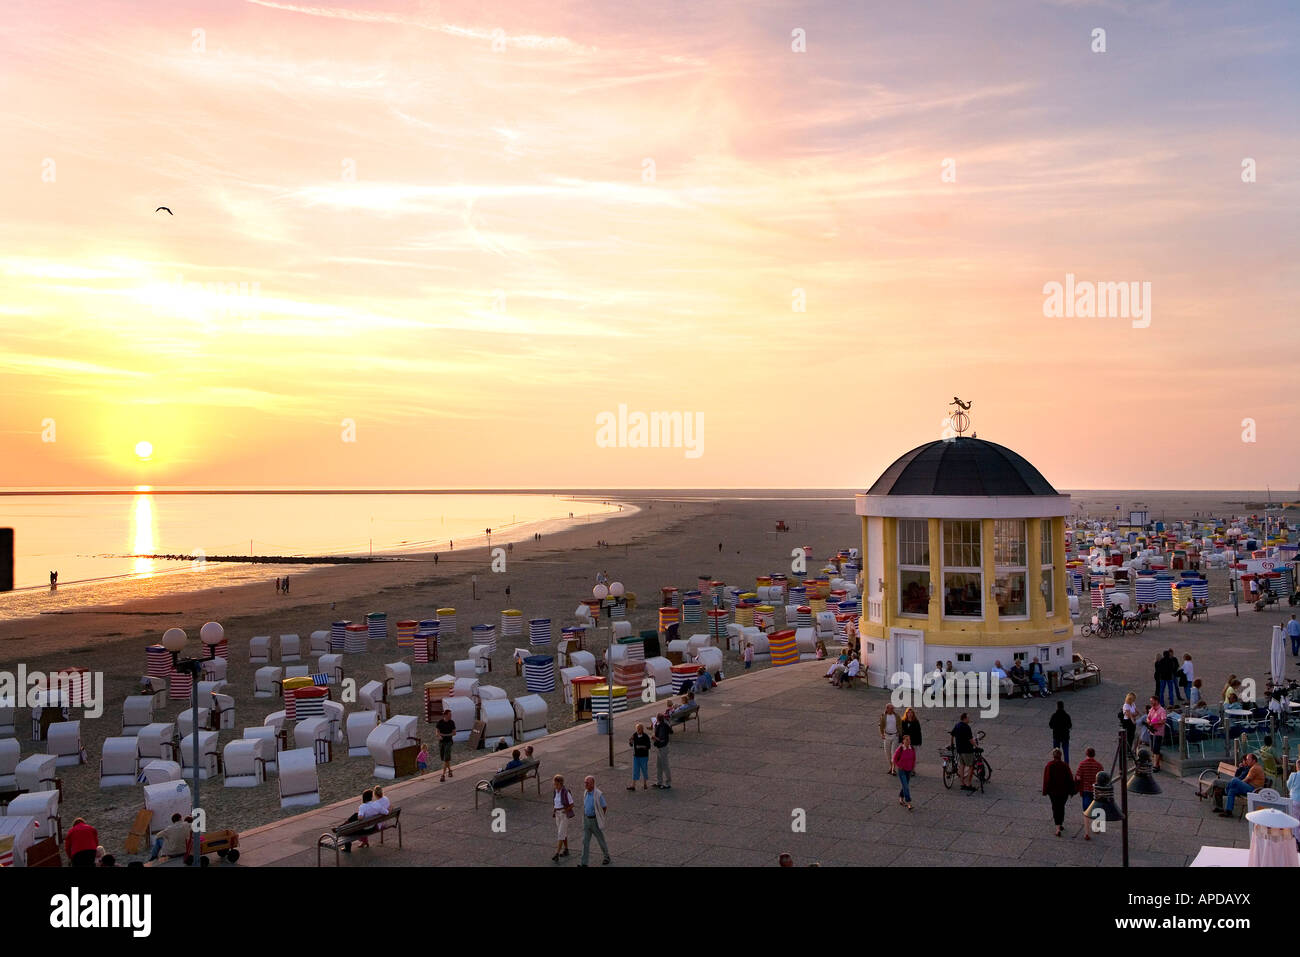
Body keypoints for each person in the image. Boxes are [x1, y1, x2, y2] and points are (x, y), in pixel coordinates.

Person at [1042, 748, 1076, 837]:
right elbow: (1070, 778)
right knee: (1061, 807)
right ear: (1061, 756)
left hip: (1053, 792)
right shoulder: (1065, 765)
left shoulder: (1049, 765)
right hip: (1063, 791)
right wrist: (1072, 790)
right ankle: (1060, 823)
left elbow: (1047, 779)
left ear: (1053, 756)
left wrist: (1045, 791)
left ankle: (1057, 828)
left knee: (1055, 807)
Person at [579, 776, 610, 866]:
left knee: (600, 839)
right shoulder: (585, 792)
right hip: (586, 820)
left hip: (594, 820)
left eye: (587, 783)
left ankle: (606, 856)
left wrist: (600, 817)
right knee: (585, 842)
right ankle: (584, 863)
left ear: (592, 784)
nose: (585, 784)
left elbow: (604, 806)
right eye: (585, 782)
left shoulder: (598, 794)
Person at [1075, 747, 1104, 841]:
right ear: (1094, 754)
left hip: (1086, 790)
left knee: (1086, 812)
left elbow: (1078, 777)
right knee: (1097, 809)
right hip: (1096, 791)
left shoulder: (1082, 764)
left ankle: (1087, 833)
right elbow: (1102, 778)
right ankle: (1096, 827)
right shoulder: (1099, 765)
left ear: (1086, 754)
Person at [951, 713, 976, 791]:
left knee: (962, 765)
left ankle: (962, 783)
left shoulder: (957, 725)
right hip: (967, 750)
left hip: (959, 749)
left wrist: (951, 744)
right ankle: (968, 783)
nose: (969, 719)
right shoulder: (966, 727)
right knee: (971, 766)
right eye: (968, 718)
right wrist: (976, 745)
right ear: (964, 719)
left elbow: (952, 735)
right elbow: (970, 739)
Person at [552, 774, 574, 862]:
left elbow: (572, 804)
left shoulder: (566, 792)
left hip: (563, 814)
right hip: (557, 813)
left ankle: (557, 853)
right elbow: (555, 801)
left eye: (556, 784)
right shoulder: (555, 791)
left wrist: (566, 810)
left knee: (560, 833)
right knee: (562, 833)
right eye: (554, 784)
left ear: (561, 784)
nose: (555, 786)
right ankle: (566, 849)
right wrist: (554, 809)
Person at [893, 735, 917, 810]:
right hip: (902, 770)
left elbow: (913, 759)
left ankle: (901, 797)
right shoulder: (900, 749)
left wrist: (913, 768)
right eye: (906, 740)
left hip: (909, 770)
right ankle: (909, 803)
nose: (908, 741)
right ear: (903, 741)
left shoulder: (911, 748)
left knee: (905, 785)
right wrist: (898, 765)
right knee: (906, 786)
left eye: (909, 740)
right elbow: (894, 758)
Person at [652, 709, 673, 789]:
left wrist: (654, 737)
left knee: (664, 766)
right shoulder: (664, 725)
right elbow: (671, 732)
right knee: (659, 765)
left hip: (662, 748)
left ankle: (668, 783)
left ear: (657, 719)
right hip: (661, 747)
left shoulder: (662, 727)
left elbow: (661, 739)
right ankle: (659, 781)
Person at [628, 724, 651, 790]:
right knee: (635, 770)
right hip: (636, 755)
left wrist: (641, 746)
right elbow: (631, 744)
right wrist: (631, 742)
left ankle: (645, 783)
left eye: (639, 729)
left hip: (644, 756)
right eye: (637, 729)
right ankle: (633, 785)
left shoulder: (645, 736)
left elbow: (648, 746)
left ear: (642, 729)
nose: (638, 731)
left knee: (644, 770)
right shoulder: (635, 735)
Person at [1146, 696, 1167, 771]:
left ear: (1157, 701)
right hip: (1152, 731)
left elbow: (1163, 721)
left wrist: (1155, 723)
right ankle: (1157, 764)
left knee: (1156, 749)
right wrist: (1149, 721)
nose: (1151, 702)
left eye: (1152, 701)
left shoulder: (1162, 710)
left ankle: (1155, 766)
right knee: (1153, 749)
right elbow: (1148, 717)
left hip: (1158, 732)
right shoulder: (1152, 709)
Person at [436, 708, 456, 781]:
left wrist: (445, 735)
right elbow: (437, 732)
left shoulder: (452, 722)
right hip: (441, 742)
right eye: (449, 715)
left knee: (446, 758)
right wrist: (439, 736)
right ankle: (450, 771)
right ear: (445, 715)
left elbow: (454, 733)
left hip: (449, 742)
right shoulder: (440, 722)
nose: (451, 716)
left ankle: (443, 775)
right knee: (445, 759)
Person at [880, 704, 900, 774]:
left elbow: (900, 724)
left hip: (895, 736)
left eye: (893, 708)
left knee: (893, 753)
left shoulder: (896, 716)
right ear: (887, 709)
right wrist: (882, 734)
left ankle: (893, 769)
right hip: (887, 736)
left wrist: (899, 732)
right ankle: (891, 766)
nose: (892, 710)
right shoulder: (883, 716)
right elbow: (881, 725)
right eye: (891, 708)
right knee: (887, 753)